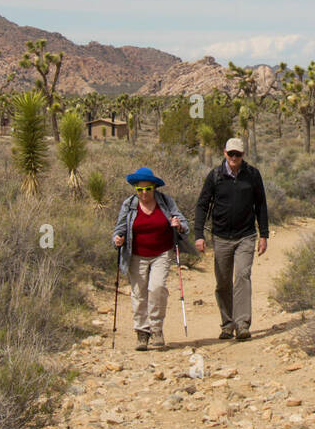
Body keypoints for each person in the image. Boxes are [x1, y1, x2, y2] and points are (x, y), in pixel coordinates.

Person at [194, 138, 269, 341]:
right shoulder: (215, 176)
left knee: (242, 277)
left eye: (238, 154)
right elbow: (202, 205)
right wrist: (199, 235)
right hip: (221, 237)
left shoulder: (252, 175)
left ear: (243, 155)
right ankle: (227, 324)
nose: (234, 158)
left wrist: (264, 235)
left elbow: (261, 205)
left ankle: (242, 324)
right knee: (223, 282)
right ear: (224, 153)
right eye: (231, 154)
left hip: (246, 236)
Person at [113, 166, 189, 351]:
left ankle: (156, 329)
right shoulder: (129, 205)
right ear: (135, 189)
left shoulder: (165, 202)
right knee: (139, 293)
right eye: (140, 189)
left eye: (148, 189)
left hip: (162, 253)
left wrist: (177, 225)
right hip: (136, 254)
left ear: (154, 188)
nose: (144, 193)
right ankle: (141, 332)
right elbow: (119, 228)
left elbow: (183, 224)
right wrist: (117, 238)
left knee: (156, 288)